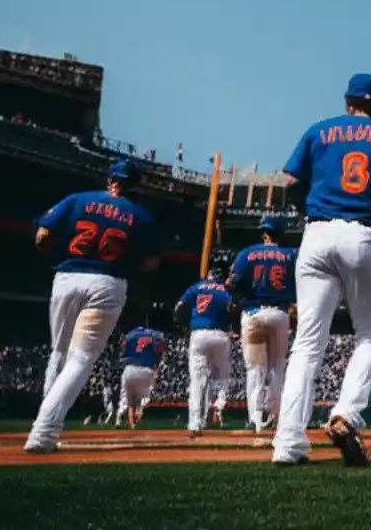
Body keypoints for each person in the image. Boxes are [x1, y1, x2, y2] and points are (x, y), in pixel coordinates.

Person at [271, 73, 371, 466]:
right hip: (364, 234)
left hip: (317, 233)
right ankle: (345, 415)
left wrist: (309, 212)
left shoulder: (319, 131)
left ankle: (287, 444)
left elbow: (291, 183)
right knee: (369, 335)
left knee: (307, 344)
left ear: (347, 101)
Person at [25, 161, 161, 453]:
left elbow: (42, 235)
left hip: (67, 276)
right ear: (135, 185)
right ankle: (44, 432)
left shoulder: (76, 199)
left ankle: (44, 423)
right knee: (81, 358)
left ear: (110, 179)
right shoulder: (140, 214)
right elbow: (151, 262)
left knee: (59, 353)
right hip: (107, 283)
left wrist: (56, 258)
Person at [227, 215, 298, 434]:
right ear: (281, 234)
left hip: (253, 314)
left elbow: (232, 283)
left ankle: (256, 418)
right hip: (279, 314)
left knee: (255, 368)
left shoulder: (246, 253)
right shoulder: (291, 255)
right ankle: (274, 415)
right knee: (277, 366)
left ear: (264, 233)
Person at [175, 254, 236, 437]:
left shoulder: (195, 288)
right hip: (220, 334)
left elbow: (179, 307)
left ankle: (195, 422)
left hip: (198, 333)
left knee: (197, 380)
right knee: (222, 375)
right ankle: (219, 403)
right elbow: (233, 309)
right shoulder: (224, 290)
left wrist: (183, 326)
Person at [116, 325, 165, 429]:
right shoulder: (153, 335)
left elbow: (122, 349)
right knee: (142, 399)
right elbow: (160, 346)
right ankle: (140, 411)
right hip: (146, 369)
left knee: (128, 400)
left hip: (129, 369)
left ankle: (123, 419)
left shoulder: (129, 335)